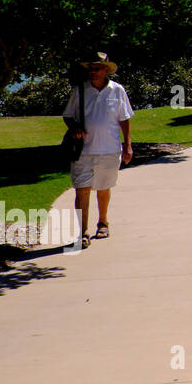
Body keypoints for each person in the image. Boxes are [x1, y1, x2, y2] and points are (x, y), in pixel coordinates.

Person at [62, 53, 133, 247]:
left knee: (103, 188)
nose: (93, 72)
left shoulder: (117, 90)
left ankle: (103, 222)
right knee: (82, 190)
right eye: (91, 68)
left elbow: (124, 118)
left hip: (109, 149)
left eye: (97, 68)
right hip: (83, 151)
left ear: (106, 70)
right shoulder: (80, 91)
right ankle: (82, 233)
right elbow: (68, 115)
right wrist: (74, 127)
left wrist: (127, 145)